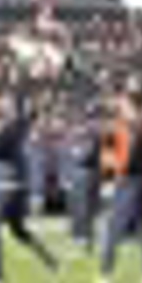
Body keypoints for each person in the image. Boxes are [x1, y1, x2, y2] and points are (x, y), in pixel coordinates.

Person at [0, 88, 61, 283]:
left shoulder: (10, 130)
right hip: (11, 186)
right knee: (17, 230)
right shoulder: (8, 128)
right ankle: (50, 260)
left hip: (5, 186)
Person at [98, 97, 142, 283]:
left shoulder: (128, 129)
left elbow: (115, 157)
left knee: (114, 227)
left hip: (129, 181)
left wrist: (109, 179)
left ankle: (105, 273)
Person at [57, 108, 102, 258]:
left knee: (84, 209)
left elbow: (84, 157)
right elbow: (63, 158)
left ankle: (85, 239)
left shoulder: (91, 138)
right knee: (73, 208)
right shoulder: (68, 139)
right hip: (71, 178)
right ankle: (76, 236)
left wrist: (74, 153)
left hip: (85, 177)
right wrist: (63, 177)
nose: (77, 128)